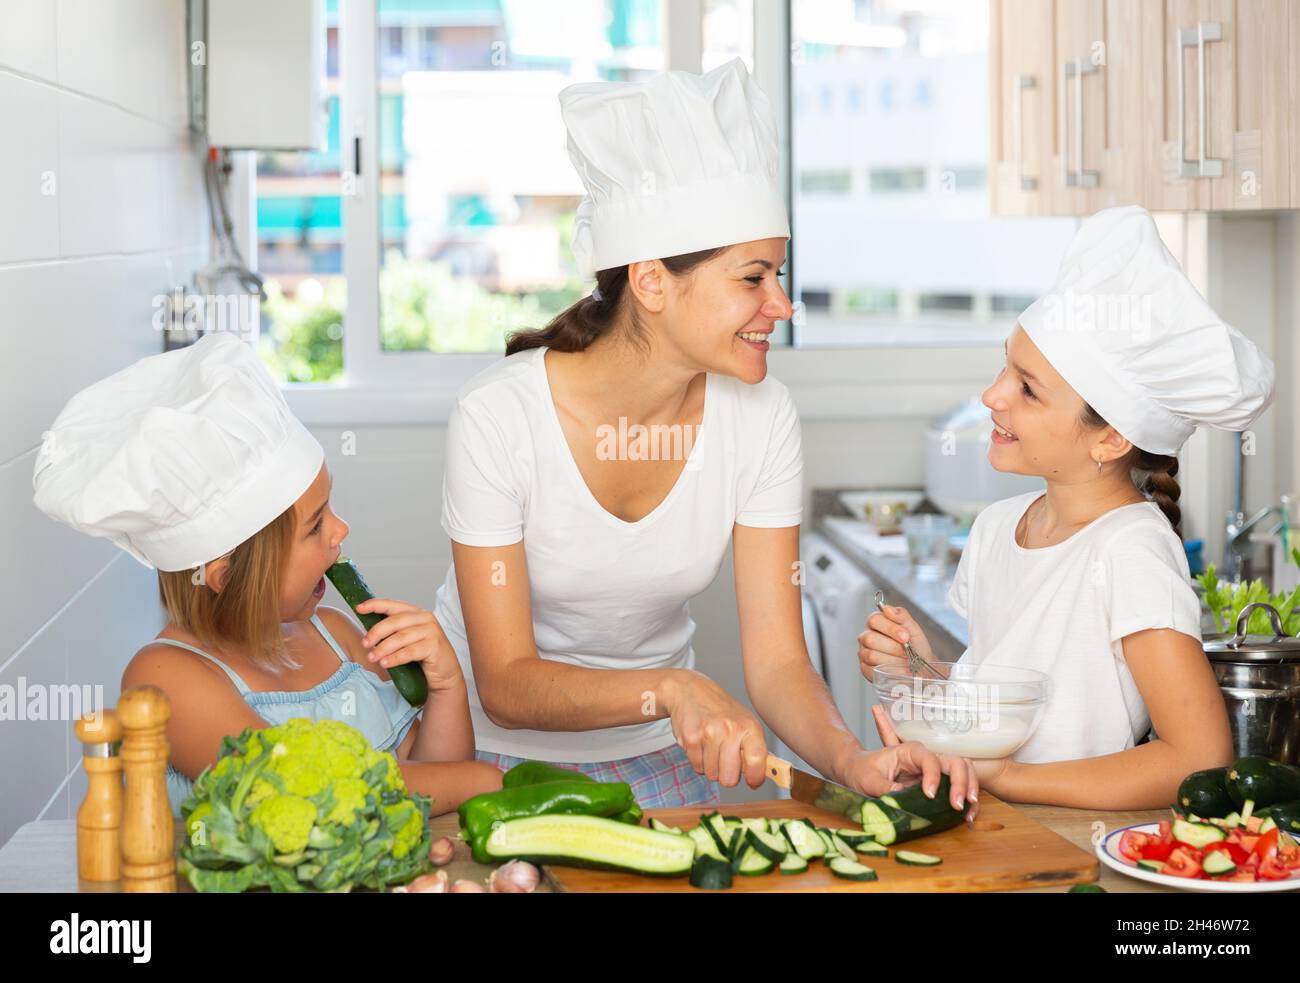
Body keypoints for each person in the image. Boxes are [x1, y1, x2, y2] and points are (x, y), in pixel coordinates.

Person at [434, 58, 978, 812]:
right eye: (754, 278)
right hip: (488, 763)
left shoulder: (761, 416)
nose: (780, 305)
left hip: (659, 758)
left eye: (779, 276)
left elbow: (781, 660)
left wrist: (852, 760)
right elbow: (505, 682)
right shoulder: (498, 417)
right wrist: (675, 688)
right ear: (652, 281)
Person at [859, 205, 1275, 810]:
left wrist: (1009, 779)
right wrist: (923, 675)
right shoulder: (999, 527)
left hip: (1072, 842)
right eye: (1005, 365)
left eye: (1027, 388)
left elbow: (1197, 758)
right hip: (997, 829)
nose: (992, 394)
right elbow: (1033, 699)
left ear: (1109, 439)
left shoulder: (1129, 549)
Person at [32, 332, 503, 815]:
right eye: (315, 525)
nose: (342, 529)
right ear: (226, 574)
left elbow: (430, 780)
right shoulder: (165, 678)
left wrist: (446, 685)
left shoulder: (337, 636)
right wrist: (483, 779)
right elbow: (305, 792)